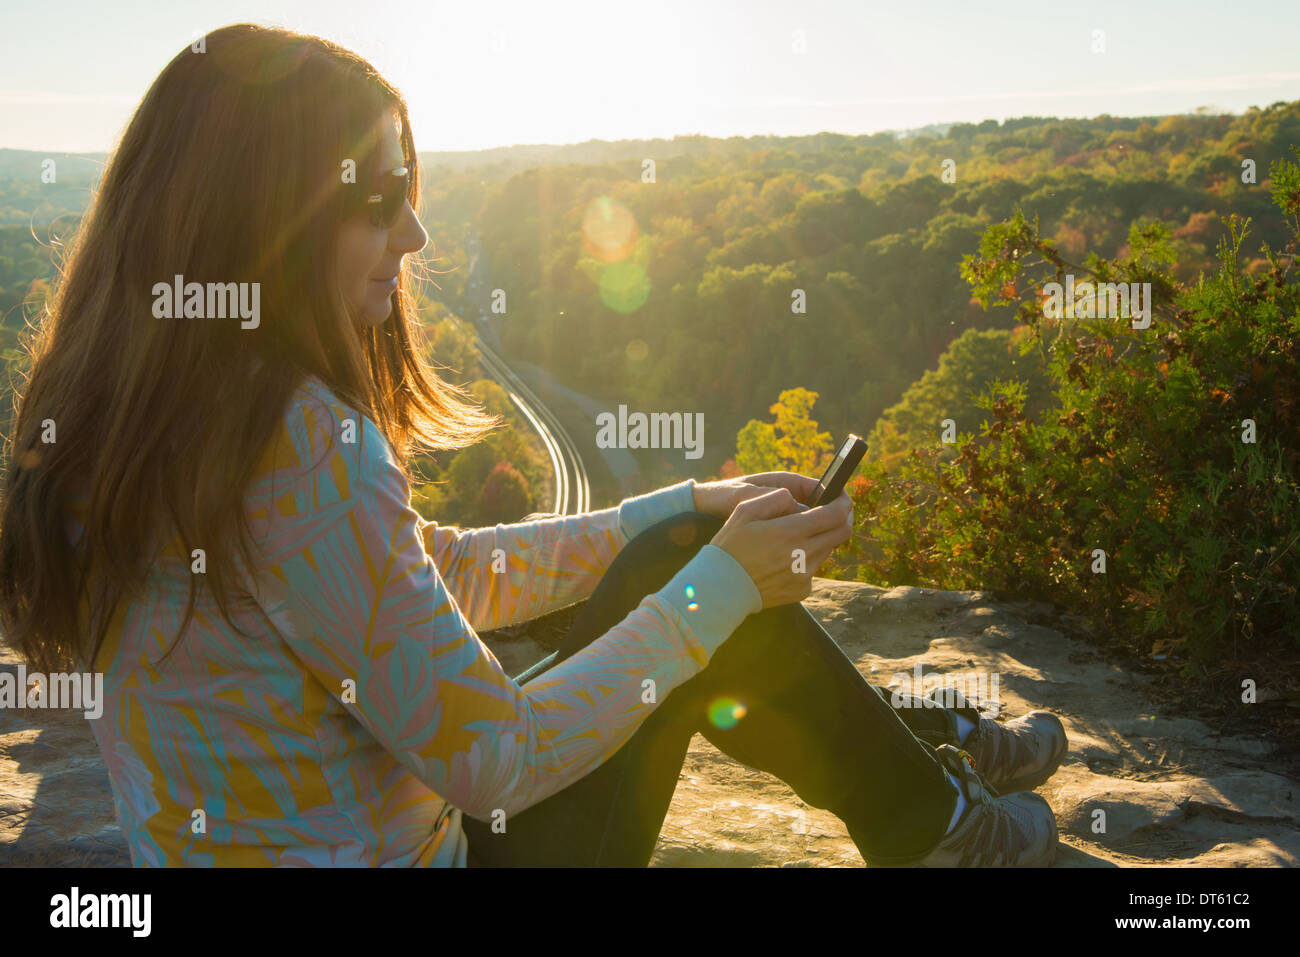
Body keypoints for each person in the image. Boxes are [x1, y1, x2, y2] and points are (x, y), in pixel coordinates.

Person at [0, 24, 1066, 868]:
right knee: (703, 610)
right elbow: (495, 763)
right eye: (377, 198)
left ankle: (930, 787)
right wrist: (726, 583)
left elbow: (436, 574)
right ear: (253, 220)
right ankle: (937, 825)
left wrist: (683, 507)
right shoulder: (302, 443)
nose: (414, 236)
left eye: (409, 188)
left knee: (679, 568)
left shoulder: (123, 419)